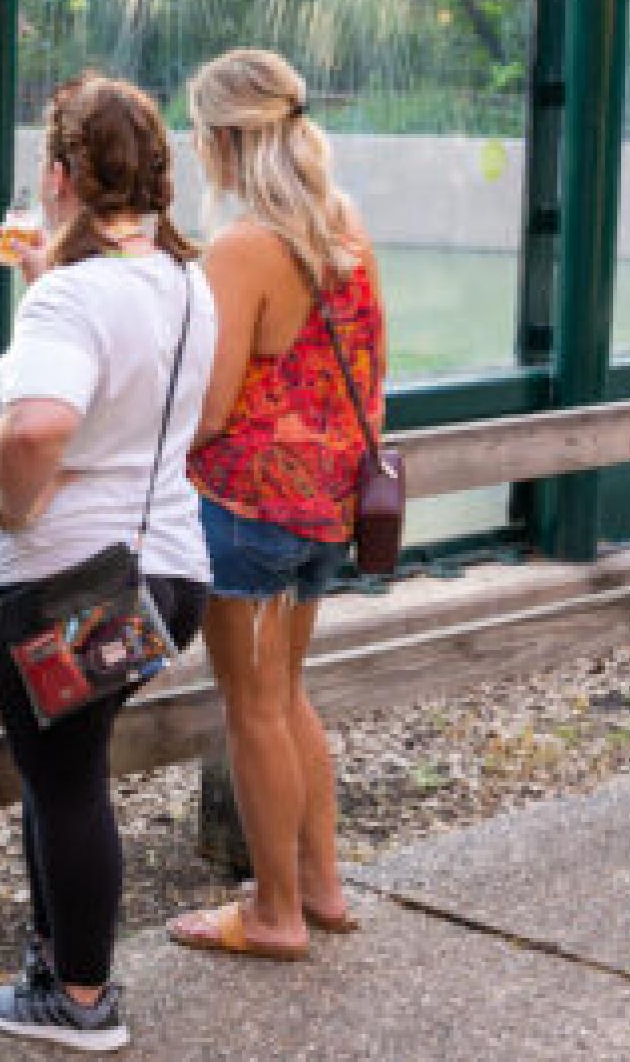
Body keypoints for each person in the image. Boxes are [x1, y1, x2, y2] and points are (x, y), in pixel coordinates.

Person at [0, 74, 214, 1051]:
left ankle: (80, 999)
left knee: (68, 784)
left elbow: (37, 426)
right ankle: (54, 966)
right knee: (63, 776)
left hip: (70, 583)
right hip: (169, 574)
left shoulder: (75, 297)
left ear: (62, 176)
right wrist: (48, 283)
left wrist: (11, 504)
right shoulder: (185, 280)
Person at [166, 48, 387, 960]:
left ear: (222, 138)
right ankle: (323, 891)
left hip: (248, 513)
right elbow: (371, 368)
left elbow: (211, 408)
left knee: (253, 710)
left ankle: (274, 913)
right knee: (287, 697)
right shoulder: (342, 223)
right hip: (328, 505)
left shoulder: (243, 247)